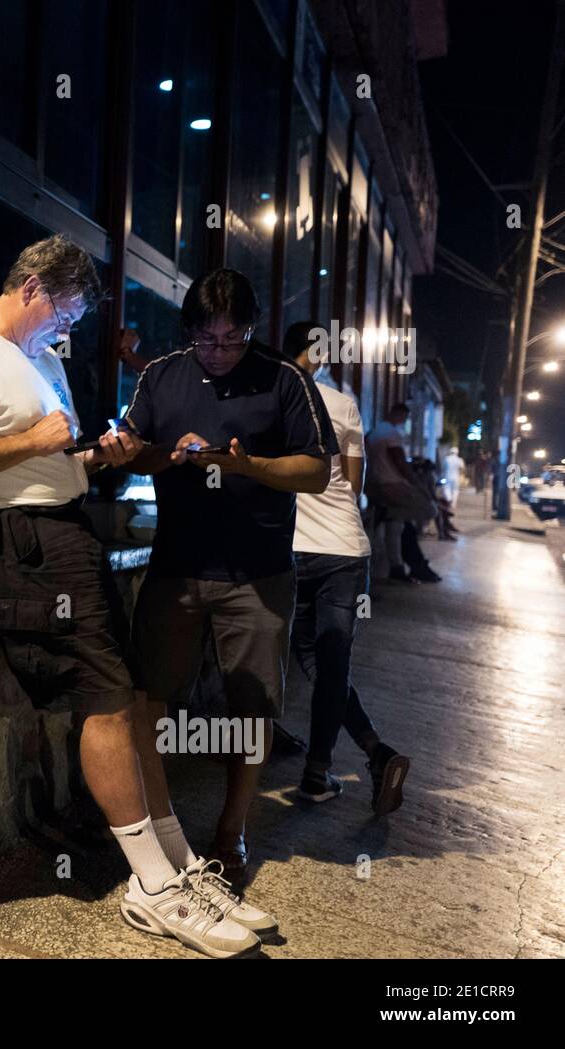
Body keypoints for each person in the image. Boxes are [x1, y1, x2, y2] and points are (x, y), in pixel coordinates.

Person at [0, 238, 272, 958]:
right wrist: (34, 440)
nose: (67, 327)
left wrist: (86, 455)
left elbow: (44, 455)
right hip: (25, 542)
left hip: (68, 530)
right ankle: (151, 887)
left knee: (130, 695)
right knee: (105, 699)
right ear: (34, 286)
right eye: (67, 309)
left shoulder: (40, 358)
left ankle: (173, 866)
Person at [124, 269, 336, 885]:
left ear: (252, 330)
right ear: (190, 330)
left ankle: (231, 831)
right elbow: (131, 447)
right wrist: (168, 454)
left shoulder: (284, 378)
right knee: (149, 697)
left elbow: (316, 471)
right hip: (176, 570)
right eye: (208, 339)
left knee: (251, 710)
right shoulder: (161, 374)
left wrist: (249, 466)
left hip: (258, 573)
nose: (219, 352)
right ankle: (161, 825)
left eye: (233, 339)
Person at [282, 324, 411, 815]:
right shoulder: (344, 404)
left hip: (296, 549)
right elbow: (354, 487)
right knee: (331, 662)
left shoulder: (275, 398)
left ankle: (336, 766)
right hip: (347, 549)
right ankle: (363, 757)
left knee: (312, 660)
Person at [365, 404, 438, 581]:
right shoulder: (391, 434)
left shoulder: (374, 432)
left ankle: (397, 565)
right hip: (394, 485)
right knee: (429, 509)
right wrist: (419, 486)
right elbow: (400, 463)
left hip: (377, 484)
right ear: (398, 414)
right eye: (404, 417)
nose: (403, 421)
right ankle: (402, 565)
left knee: (395, 525)